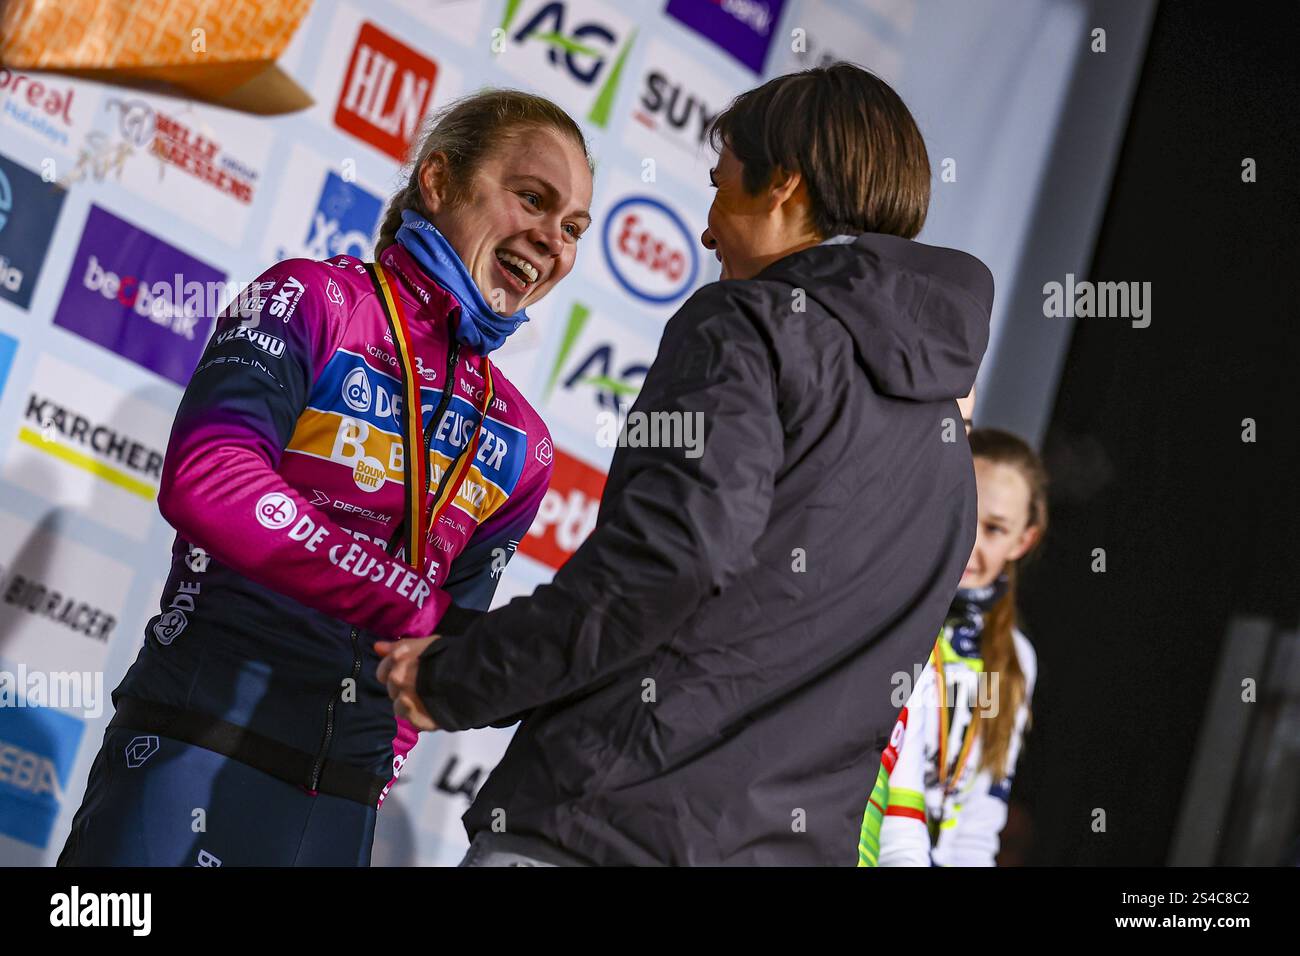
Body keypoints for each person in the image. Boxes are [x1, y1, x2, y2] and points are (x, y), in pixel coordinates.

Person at [378, 62, 995, 866]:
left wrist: (455, 678)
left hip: (609, 830)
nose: (706, 229)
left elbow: (672, 561)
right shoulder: (943, 433)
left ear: (785, 187)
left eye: (722, 183)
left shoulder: (748, 324)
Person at [57, 89, 594, 866]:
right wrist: (405, 597)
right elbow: (210, 478)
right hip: (188, 749)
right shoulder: (313, 300)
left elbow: (442, 647)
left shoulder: (522, 443)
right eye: (533, 199)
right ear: (439, 181)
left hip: (338, 806)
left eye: (572, 228)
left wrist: (380, 762)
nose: (551, 239)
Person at [862, 428, 1047, 867]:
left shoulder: (1015, 657)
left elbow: (980, 821)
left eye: (995, 529)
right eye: (967, 514)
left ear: (1024, 541)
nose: (972, 542)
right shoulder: (890, 614)